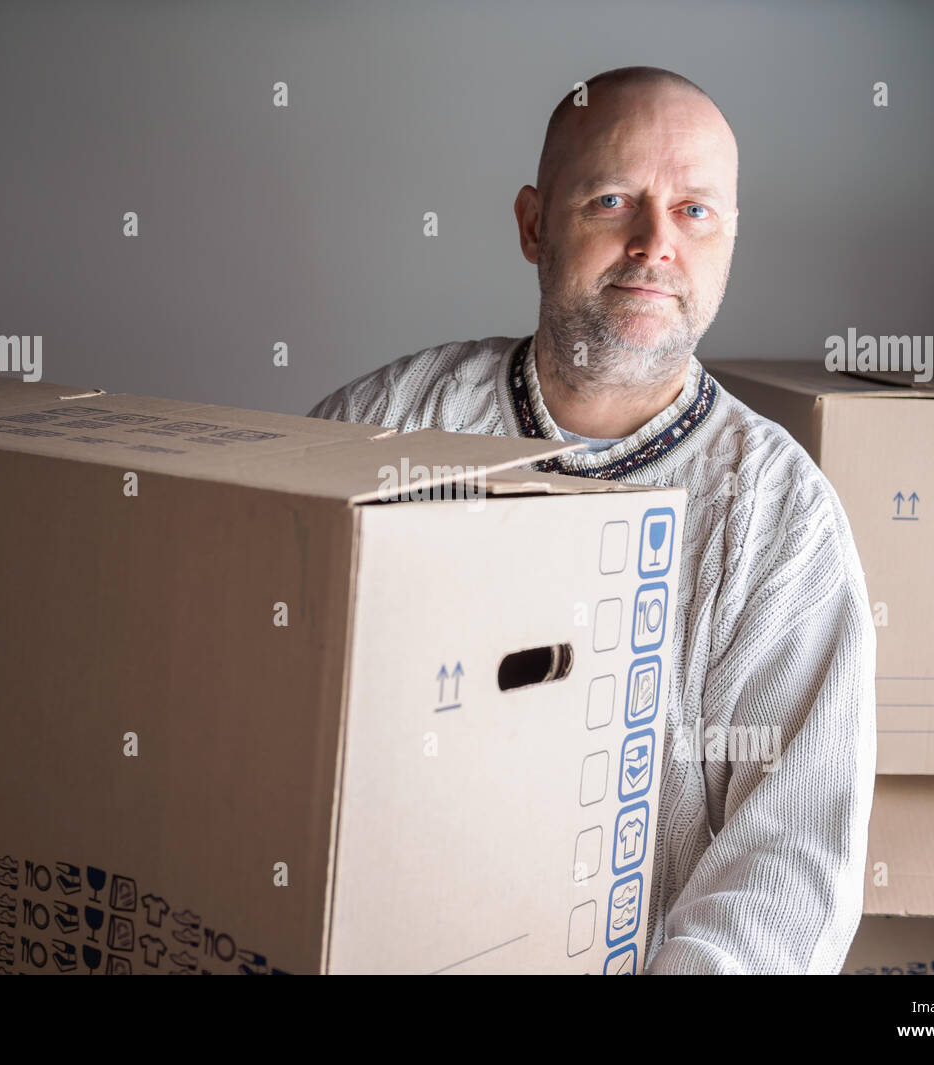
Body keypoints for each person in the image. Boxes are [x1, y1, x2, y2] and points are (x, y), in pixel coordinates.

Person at [307, 66, 876, 974]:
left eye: (696, 211)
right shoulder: (379, 426)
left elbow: (792, 866)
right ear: (534, 224)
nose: (657, 243)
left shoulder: (778, 518)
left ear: (730, 239)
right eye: (614, 199)